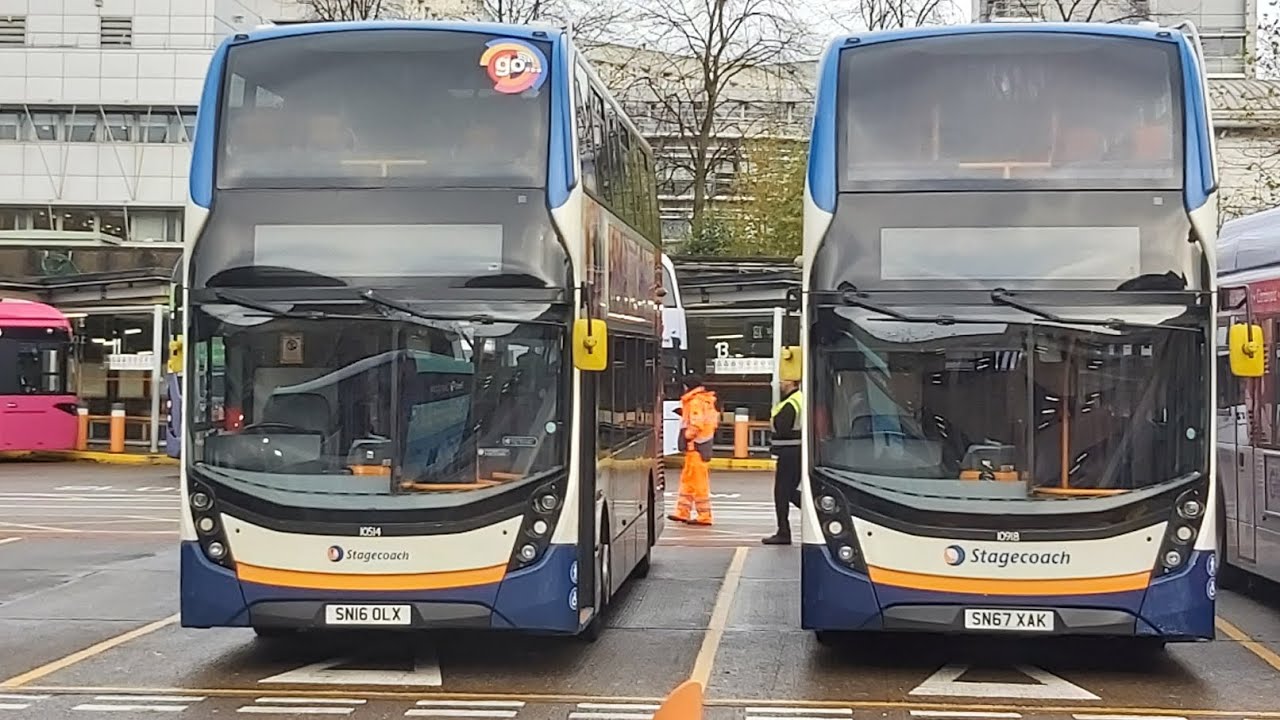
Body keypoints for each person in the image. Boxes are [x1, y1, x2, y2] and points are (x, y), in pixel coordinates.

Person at [668, 373, 718, 526]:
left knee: (698, 483)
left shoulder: (695, 402)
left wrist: (687, 437)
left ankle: (704, 515)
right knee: (688, 481)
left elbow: (696, 424)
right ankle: (682, 512)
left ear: (686, 387)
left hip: (696, 447)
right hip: (697, 448)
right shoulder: (704, 401)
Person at [762, 377, 802, 545]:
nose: (780, 384)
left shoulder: (791, 403)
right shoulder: (799, 399)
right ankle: (815, 512)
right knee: (790, 492)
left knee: (782, 493)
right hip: (796, 452)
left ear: (793, 383)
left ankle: (783, 532)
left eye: (784, 381)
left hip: (789, 453)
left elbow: (782, 428)